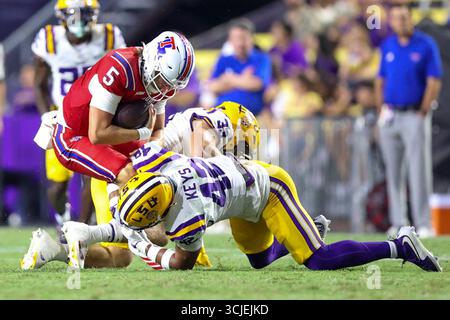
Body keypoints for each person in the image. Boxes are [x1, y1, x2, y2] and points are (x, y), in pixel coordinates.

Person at [20, 101, 330, 269]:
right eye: (243, 140)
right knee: (154, 233)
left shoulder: (190, 136)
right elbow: (199, 173)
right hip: (122, 174)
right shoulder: (208, 126)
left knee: (123, 255)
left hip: (124, 173)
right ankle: (84, 232)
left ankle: (58, 248)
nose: (242, 150)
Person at [117, 141, 440, 272]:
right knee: (259, 261)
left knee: (317, 260)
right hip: (241, 196)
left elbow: (181, 264)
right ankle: (306, 231)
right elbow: (137, 160)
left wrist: (145, 249)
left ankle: (400, 246)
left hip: (268, 187)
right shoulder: (166, 163)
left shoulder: (187, 216)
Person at [21, 30, 195, 270]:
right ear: (153, 61)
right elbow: (97, 134)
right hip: (75, 135)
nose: (165, 89)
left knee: (120, 257)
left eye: (170, 84)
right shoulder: (120, 67)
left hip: (113, 143)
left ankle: (55, 248)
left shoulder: (157, 77)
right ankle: (89, 229)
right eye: (163, 80)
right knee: (148, 213)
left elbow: (156, 135)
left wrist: (158, 165)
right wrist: (140, 134)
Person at [32, 0, 126, 235]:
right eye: (72, 15)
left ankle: (81, 231)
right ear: (61, 17)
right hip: (61, 116)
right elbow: (39, 84)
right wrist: (46, 115)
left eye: (84, 14)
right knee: (56, 185)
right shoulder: (49, 39)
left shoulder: (109, 36)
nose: (78, 21)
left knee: (90, 175)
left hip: (96, 114)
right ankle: (62, 216)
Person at [375, 4, 442, 238]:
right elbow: (380, 79)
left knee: (418, 170)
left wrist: (424, 109)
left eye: (404, 18)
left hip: (415, 114)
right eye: (396, 18)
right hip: (391, 115)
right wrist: (380, 109)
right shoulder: (388, 45)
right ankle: (399, 222)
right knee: (393, 172)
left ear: (411, 19)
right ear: (391, 21)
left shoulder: (425, 44)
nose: (401, 22)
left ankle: (424, 223)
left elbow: (434, 78)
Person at [206, 19, 271, 117]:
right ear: (230, 40)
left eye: (243, 38)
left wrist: (229, 78)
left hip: (252, 116)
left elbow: (257, 84)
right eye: (236, 38)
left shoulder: (262, 58)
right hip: (222, 116)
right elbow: (212, 87)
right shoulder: (223, 59)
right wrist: (243, 79)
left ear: (251, 38)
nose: (240, 43)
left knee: (273, 130)